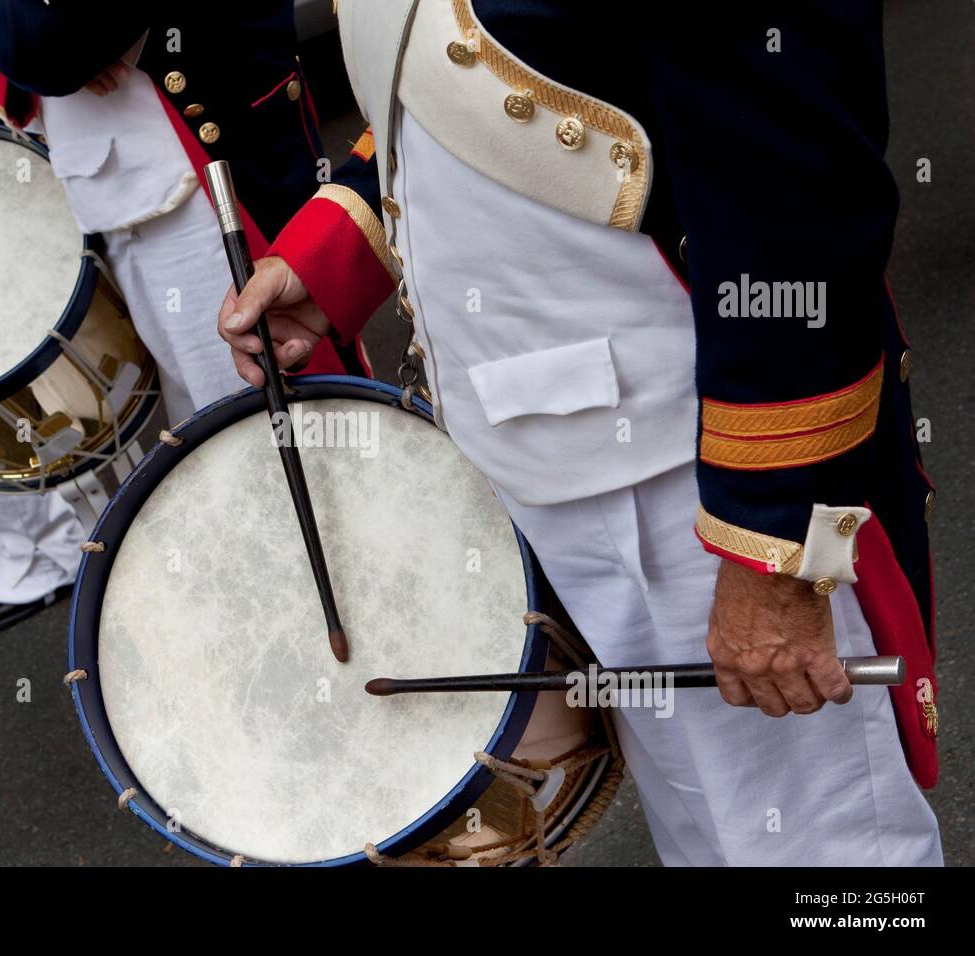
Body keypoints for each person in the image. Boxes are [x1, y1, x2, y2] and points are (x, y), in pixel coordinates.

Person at [220, 0, 942, 866]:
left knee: (818, 856)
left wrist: (773, 541)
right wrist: (335, 256)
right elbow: (429, 73)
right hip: (545, 464)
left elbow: (791, 196)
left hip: (695, 478)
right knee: (706, 840)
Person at [0, 0, 372, 639]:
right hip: (123, 182)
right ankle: (292, 618)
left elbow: (49, 42)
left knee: (289, 435)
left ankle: (356, 616)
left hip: (202, 165)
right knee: (215, 440)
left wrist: (34, 40)